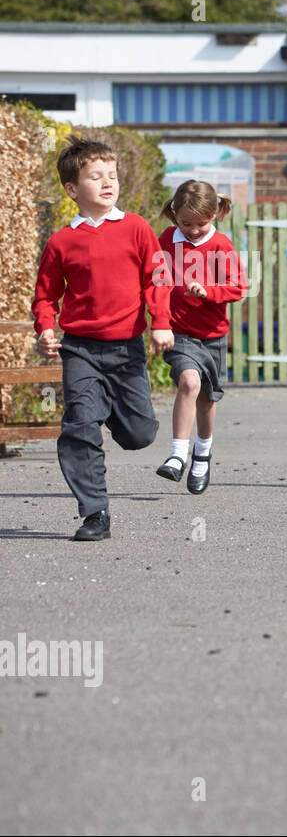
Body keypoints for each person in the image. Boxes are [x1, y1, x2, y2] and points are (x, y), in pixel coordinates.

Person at [32, 135, 173, 540]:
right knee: (79, 426)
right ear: (72, 190)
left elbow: (157, 279)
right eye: (96, 177)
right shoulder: (61, 242)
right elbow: (45, 295)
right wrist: (45, 328)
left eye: (112, 175)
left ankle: (107, 408)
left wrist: (160, 320)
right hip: (80, 349)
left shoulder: (136, 228)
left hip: (126, 348)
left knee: (140, 434)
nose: (108, 182)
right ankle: (95, 513)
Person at [154, 180, 247, 494]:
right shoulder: (167, 239)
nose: (193, 230)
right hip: (179, 332)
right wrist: (159, 322)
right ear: (175, 215)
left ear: (215, 215)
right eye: (186, 223)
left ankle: (202, 454)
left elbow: (239, 287)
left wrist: (209, 292)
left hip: (212, 335)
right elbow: (155, 281)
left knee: (206, 399)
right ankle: (177, 455)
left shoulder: (222, 244)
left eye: (201, 223)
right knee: (188, 383)